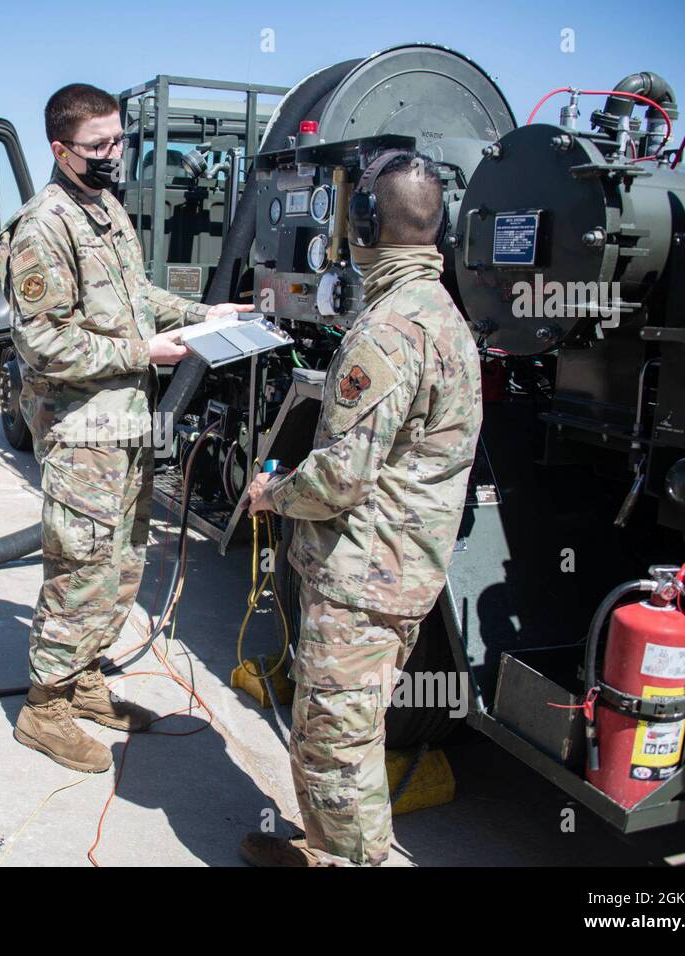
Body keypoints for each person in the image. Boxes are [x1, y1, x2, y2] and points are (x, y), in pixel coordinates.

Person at [0, 82, 250, 773]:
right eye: (99, 145)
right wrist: (145, 353)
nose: (115, 154)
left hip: (125, 428)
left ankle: (83, 679)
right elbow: (43, 342)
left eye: (120, 140)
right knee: (79, 566)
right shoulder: (44, 224)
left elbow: (134, 297)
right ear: (60, 149)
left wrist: (203, 317)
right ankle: (43, 708)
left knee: (121, 560)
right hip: (81, 432)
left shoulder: (104, 208)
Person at [242, 150, 483, 865]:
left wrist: (272, 493)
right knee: (345, 730)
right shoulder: (444, 318)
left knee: (337, 750)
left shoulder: (388, 332)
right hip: (398, 574)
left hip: (362, 581)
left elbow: (341, 478)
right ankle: (328, 848)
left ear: (367, 224)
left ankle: (350, 858)